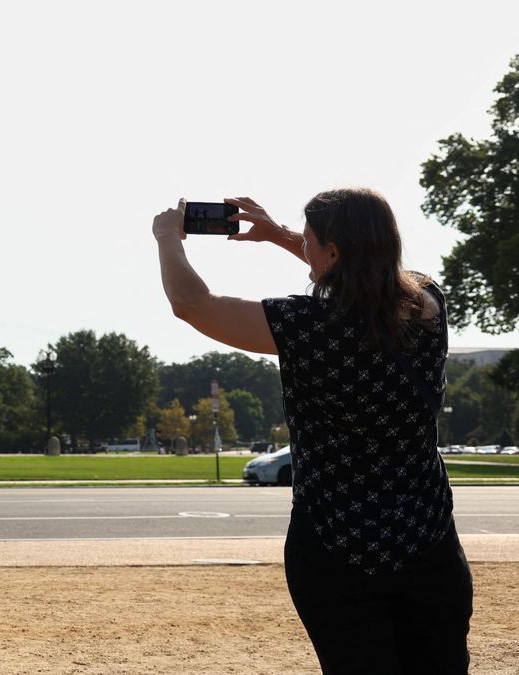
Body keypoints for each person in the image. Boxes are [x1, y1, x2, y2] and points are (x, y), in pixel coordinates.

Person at [153, 189, 472, 673]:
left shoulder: (305, 325)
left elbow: (193, 304)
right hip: (426, 538)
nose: (304, 252)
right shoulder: (428, 309)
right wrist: (283, 236)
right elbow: (378, 277)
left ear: (334, 252)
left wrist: (167, 238)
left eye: (309, 242)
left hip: (334, 544)